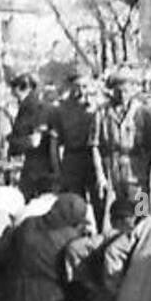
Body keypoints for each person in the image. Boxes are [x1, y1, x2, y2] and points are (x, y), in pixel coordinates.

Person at [97, 69, 151, 219]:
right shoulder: (103, 113)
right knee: (119, 214)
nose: (122, 95)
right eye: (118, 91)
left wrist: (147, 170)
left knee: (141, 212)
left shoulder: (143, 112)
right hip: (113, 170)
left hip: (137, 170)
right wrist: (100, 175)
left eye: (126, 90)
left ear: (132, 90)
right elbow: (95, 146)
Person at [54, 70, 104, 217]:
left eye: (85, 86)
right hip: (72, 159)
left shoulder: (97, 108)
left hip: (93, 159)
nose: (81, 91)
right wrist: (58, 170)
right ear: (70, 86)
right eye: (78, 86)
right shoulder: (62, 109)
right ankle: (79, 236)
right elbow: (55, 142)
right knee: (75, 204)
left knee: (100, 202)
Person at [10, 73, 57, 199]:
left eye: (17, 96)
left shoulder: (45, 110)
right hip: (31, 168)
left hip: (43, 170)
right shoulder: (24, 111)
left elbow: (53, 142)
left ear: (26, 89)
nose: (17, 100)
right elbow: (16, 140)